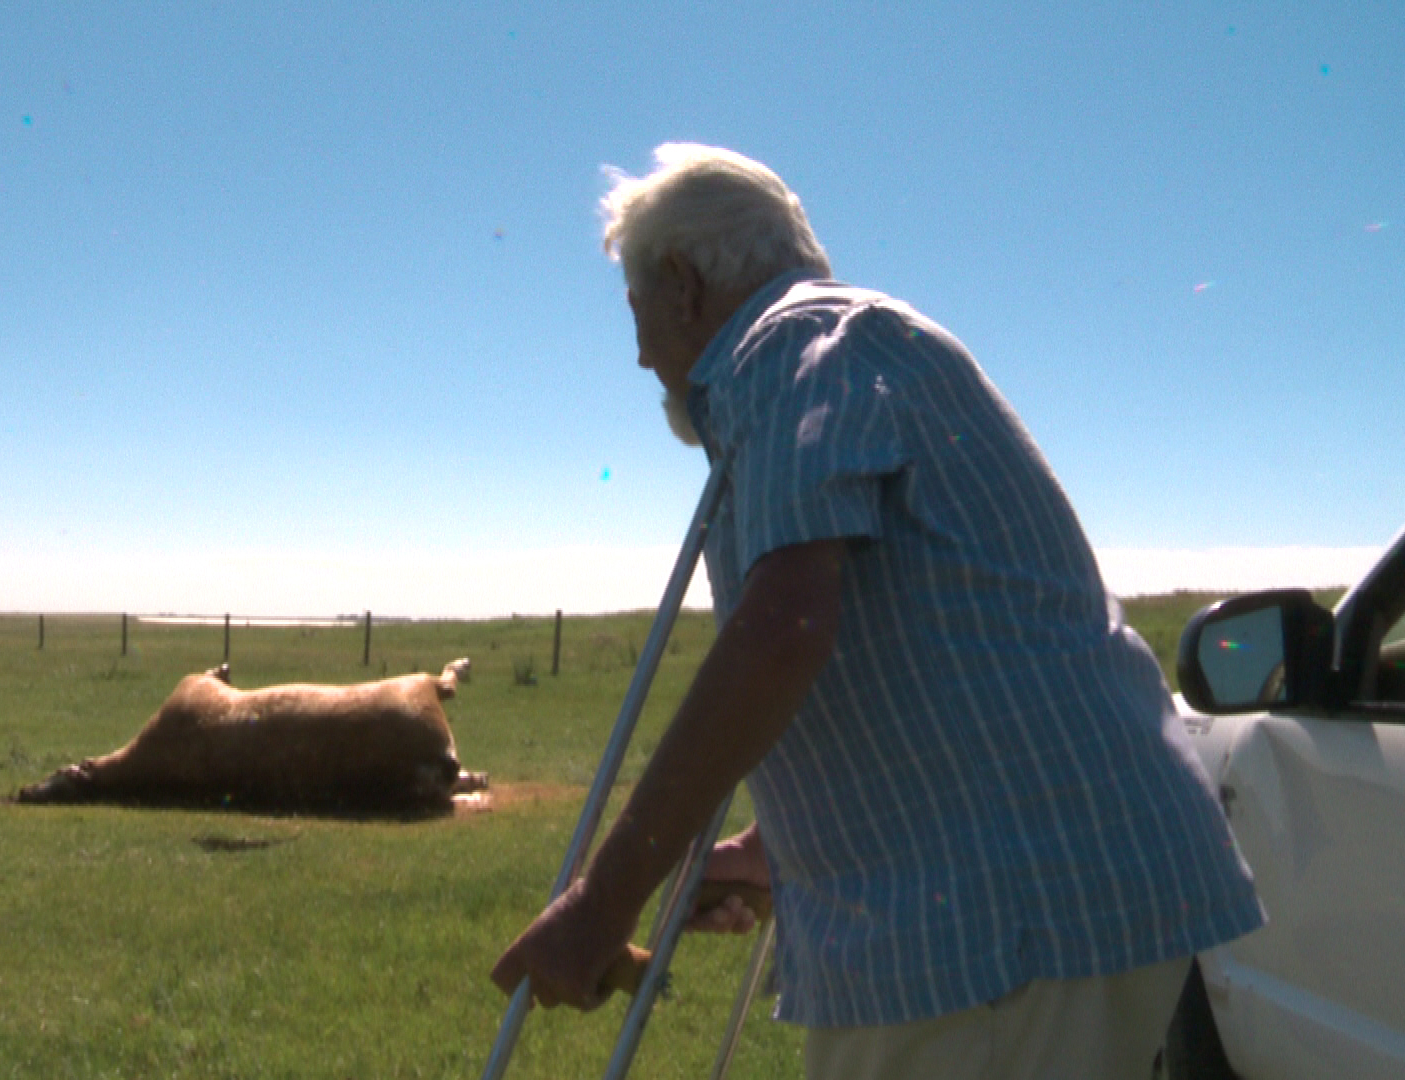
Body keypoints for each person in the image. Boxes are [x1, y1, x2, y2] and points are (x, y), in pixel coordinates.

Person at [489, 144, 1264, 1079]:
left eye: (637, 310)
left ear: (685, 284)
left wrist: (602, 902)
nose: (640, 352)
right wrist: (771, 850)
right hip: (1059, 889)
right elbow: (928, 633)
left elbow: (786, 633)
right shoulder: (852, 350)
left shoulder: (785, 346)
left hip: (998, 925)